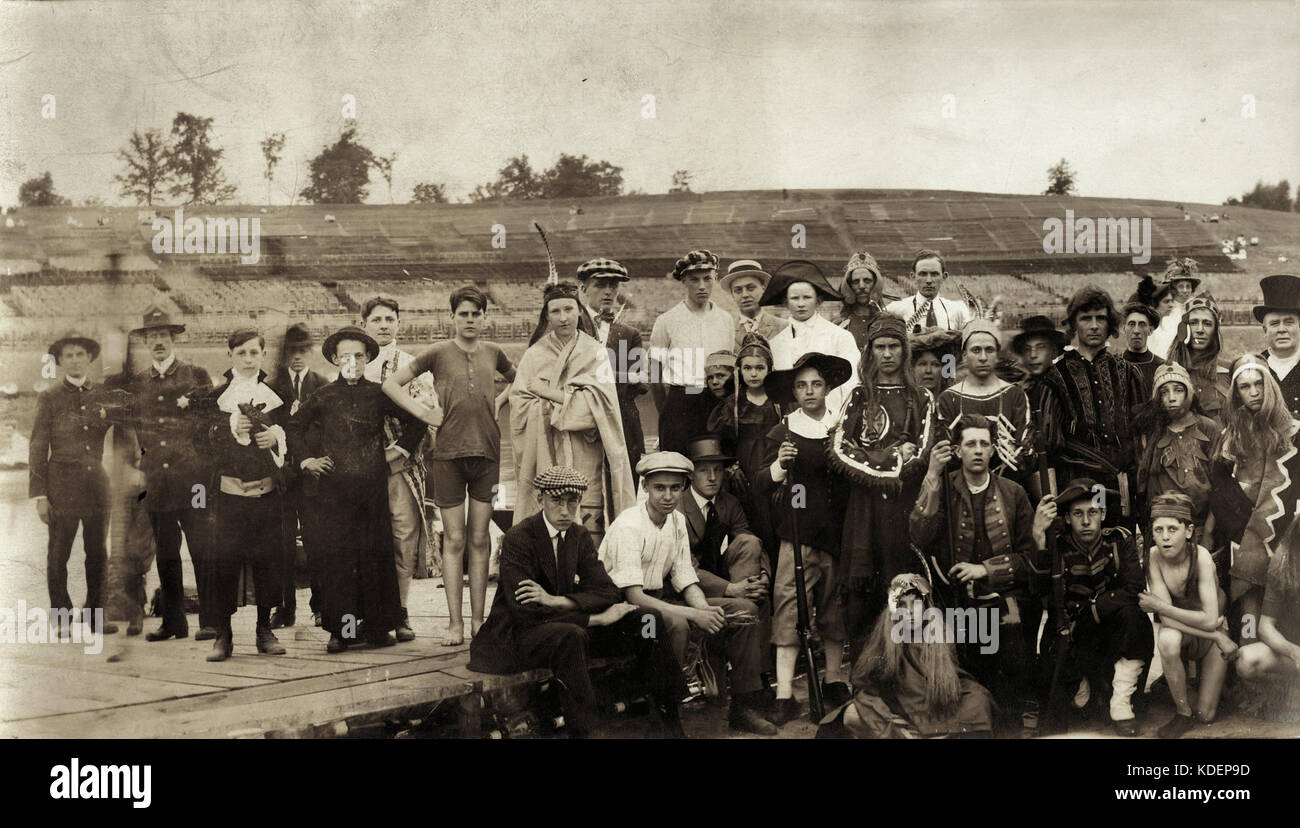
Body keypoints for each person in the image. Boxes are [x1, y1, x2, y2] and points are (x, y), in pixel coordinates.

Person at [468, 467, 687, 738]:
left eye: (572, 502)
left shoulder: (578, 536)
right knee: (570, 636)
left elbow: (607, 592)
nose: (565, 510)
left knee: (648, 621)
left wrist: (559, 600)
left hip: (566, 627)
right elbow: (525, 612)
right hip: (517, 638)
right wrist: (595, 619)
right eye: (557, 501)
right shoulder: (519, 538)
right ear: (540, 499)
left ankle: (667, 716)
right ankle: (586, 732)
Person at [599, 452, 778, 735]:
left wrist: (704, 610)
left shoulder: (676, 521)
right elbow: (634, 596)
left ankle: (743, 705)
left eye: (675, 488)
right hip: (626, 611)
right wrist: (693, 613)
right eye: (659, 488)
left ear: (683, 487)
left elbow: (685, 577)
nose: (668, 496)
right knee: (676, 623)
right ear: (645, 487)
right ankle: (667, 712)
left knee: (745, 610)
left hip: (663, 600)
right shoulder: (629, 524)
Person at [288, 326, 437, 653]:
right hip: (334, 494)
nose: (352, 361)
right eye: (345, 356)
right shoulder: (324, 396)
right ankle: (341, 631)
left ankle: (378, 629)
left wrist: (397, 451)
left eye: (358, 355)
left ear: (368, 357)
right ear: (335, 359)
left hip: (372, 490)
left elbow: (418, 420)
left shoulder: (378, 393)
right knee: (339, 560)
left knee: (374, 556)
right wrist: (307, 461)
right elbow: (293, 428)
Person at [383, 286, 512, 645]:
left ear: (484, 317)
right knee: (454, 539)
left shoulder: (495, 353)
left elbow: (523, 381)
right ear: (452, 317)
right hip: (448, 458)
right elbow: (392, 385)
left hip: (487, 455)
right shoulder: (438, 353)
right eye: (463, 314)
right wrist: (423, 412)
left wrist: (498, 403)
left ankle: (477, 622)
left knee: (480, 538)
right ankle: (455, 624)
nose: (470, 320)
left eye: (476, 314)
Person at [909, 415, 1055, 729]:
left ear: (992, 451)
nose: (978, 450)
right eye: (970, 443)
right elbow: (919, 535)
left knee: (1012, 663)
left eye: (984, 444)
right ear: (958, 451)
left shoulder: (1013, 492)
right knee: (967, 677)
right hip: (958, 605)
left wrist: (984, 569)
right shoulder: (944, 488)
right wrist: (933, 473)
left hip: (1005, 602)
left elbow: (1028, 556)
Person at [827, 315, 935, 658]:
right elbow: (840, 448)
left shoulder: (923, 398)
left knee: (902, 587)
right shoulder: (858, 396)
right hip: (862, 509)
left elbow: (923, 447)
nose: (887, 354)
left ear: (904, 352)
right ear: (870, 352)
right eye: (879, 347)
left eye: (893, 347)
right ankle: (864, 675)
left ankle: (905, 669)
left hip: (904, 508)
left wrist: (882, 459)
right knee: (861, 594)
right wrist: (889, 459)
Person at [758, 352, 853, 724]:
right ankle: (784, 693)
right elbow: (760, 483)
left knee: (833, 610)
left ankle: (832, 681)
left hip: (836, 533)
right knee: (789, 609)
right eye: (801, 385)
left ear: (827, 387)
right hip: (795, 536)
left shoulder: (842, 427)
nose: (809, 391)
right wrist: (780, 463)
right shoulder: (783, 431)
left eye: (816, 384)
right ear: (793, 392)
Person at [510, 280, 636, 550]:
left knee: (589, 510)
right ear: (546, 316)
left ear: (580, 310)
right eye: (555, 311)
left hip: (586, 449)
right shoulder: (534, 355)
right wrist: (548, 404)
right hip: (546, 449)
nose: (563, 317)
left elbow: (603, 407)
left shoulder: (595, 352)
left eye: (569, 309)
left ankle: (592, 571)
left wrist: (551, 395)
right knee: (551, 509)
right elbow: (520, 405)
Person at [189, 329, 289, 661]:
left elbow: (297, 435)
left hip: (267, 494)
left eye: (254, 353)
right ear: (230, 355)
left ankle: (264, 629)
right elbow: (201, 445)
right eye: (242, 353)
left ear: (263, 355)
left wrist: (275, 440)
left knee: (267, 562)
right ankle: (224, 635)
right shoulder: (214, 398)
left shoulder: (277, 396)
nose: (248, 359)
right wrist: (229, 432)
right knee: (224, 563)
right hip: (228, 496)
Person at [126, 306, 216, 643]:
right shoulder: (138, 384)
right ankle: (174, 621)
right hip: (158, 481)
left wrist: (203, 469)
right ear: (146, 342)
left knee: (202, 545)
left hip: (194, 479)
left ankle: (211, 619)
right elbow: (139, 430)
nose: (158, 342)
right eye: (152, 337)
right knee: (166, 550)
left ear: (173, 338)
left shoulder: (196, 375)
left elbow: (209, 424)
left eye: (164, 335)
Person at [1039, 478, 1153, 737]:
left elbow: (1134, 587)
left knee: (1135, 619)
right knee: (1051, 654)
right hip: (1075, 632)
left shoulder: (1118, 540)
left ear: (1102, 513)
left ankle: (1121, 703)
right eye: (1078, 514)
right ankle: (1082, 685)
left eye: (1092, 512)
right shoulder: (1058, 547)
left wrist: (1095, 608)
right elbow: (1043, 592)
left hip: (1110, 631)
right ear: (1067, 519)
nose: (1086, 521)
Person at [817, 573, 995, 738]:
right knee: (852, 715)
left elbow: (956, 679)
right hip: (900, 710)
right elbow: (866, 684)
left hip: (934, 708)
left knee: (979, 700)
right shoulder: (885, 638)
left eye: (916, 603)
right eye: (902, 605)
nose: (909, 611)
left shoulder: (938, 635)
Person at [362, 296, 440, 643]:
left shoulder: (411, 363)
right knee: (365, 538)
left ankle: (401, 610)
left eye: (389, 319)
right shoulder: (354, 365)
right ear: (363, 323)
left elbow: (426, 415)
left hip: (402, 465)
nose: (382, 325)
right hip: (362, 469)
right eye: (376, 319)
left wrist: (398, 452)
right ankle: (368, 613)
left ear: (398, 323)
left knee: (402, 537)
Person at [30, 331, 117, 636]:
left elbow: (124, 433)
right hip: (61, 486)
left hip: (97, 486)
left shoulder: (104, 393)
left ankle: (95, 614)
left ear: (90, 358)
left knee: (97, 553)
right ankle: (62, 616)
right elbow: (38, 446)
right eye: (69, 355)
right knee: (58, 554)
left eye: (81, 354)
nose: (76, 360)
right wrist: (40, 495)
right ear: (60, 361)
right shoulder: (50, 397)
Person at [1209, 354, 1300, 639]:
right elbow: (1221, 492)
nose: (1254, 392)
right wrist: (1248, 531)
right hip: (1243, 540)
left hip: (1286, 536)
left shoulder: (1295, 433)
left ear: (1269, 385)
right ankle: (1247, 658)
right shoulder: (1229, 438)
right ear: (1236, 393)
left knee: (1281, 612)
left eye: (1259, 384)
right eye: (1245, 387)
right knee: (1248, 610)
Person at [1039, 287, 1145, 527]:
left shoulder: (1127, 372)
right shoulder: (1056, 377)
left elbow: (1140, 438)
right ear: (1074, 324)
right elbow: (1051, 446)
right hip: (1076, 491)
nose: (1095, 325)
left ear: (1111, 323)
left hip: (1121, 488)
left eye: (1101, 318)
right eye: (1086, 318)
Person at [1140, 494, 1235, 738]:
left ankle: (1179, 686)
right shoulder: (1152, 556)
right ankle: (1182, 712)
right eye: (1158, 529)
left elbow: (1210, 617)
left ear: (1189, 530)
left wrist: (1160, 606)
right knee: (1167, 638)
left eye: (1173, 528)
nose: (1165, 537)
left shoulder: (1201, 556)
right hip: (1199, 633)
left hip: (1212, 638)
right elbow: (1169, 622)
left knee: (1205, 715)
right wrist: (1214, 632)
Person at [266, 322, 328, 629]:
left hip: (314, 477)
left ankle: (321, 605)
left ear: (312, 351)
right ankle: (285, 607)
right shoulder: (272, 386)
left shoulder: (323, 384)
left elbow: (328, 433)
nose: (298, 357)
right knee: (282, 544)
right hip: (282, 477)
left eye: (303, 350)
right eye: (292, 351)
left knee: (317, 540)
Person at [648, 250, 736, 454]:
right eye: (694, 280)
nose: (702, 286)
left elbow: (728, 365)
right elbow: (655, 376)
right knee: (678, 467)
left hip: (717, 401)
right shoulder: (666, 321)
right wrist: (667, 413)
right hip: (681, 403)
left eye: (708, 279)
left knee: (716, 465)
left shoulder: (726, 320)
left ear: (715, 279)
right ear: (684, 281)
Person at [707, 333, 782, 562]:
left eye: (759, 368)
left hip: (773, 473)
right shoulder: (732, 405)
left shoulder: (779, 403)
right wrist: (731, 466)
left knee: (776, 530)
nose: (753, 373)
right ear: (740, 370)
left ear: (769, 370)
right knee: (747, 529)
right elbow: (719, 442)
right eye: (748, 368)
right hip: (742, 477)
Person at [935, 319, 1033, 482]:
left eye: (989, 350)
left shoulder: (1014, 395)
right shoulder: (948, 399)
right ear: (965, 355)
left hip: (1008, 487)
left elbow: (1026, 452)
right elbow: (944, 454)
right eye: (976, 350)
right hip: (959, 490)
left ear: (997, 354)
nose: (983, 357)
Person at [576, 258, 648, 479]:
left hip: (623, 419)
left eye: (613, 286)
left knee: (626, 481)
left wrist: (595, 376)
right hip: (581, 419)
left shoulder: (630, 334)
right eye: (600, 285)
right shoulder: (572, 328)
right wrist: (624, 376)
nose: (608, 292)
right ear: (583, 288)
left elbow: (642, 381)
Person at [761, 259, 861, 417]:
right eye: (795, 298)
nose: (801, 304)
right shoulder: (776, 343)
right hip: (791, 420)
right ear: (785, 302)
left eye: (807, 297)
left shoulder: (840, 336)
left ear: (818, 300)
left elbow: (852, 383)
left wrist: (838, 417)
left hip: (833, 416)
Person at [1134, 363, 1218, 550]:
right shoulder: (1150, 432)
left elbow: (1220, 486)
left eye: (1178, 390)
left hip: (1200, 525)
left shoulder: (1208, 428)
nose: (1172, 398)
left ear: (1189, 393)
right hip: (1162, 528)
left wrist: (1209, 533)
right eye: (1164, 392)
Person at [1236, 520, 1300, 701]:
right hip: (1293, 649)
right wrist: (1294, 653)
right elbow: (1265, 627)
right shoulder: (1286, 559)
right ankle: (1283, 691)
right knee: (1247, 660)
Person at [1166, 293, 1229, 424]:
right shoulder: (1168, 371)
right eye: (1193, 323)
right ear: (1184, 328)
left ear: (1215, 330)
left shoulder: (1228, 371)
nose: (1200, 330)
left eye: (1207, 323)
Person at [885, 249, 973, 333]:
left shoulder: (957, 309)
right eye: (923, 274)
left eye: (934, 274)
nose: (929, 280)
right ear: (913, 276)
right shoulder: (895, 309)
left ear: (944, 277)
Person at [1254, 273, 1300, 418]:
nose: (1281, 329)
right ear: (1265, 330)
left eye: (1289, 322)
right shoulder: (1254, 367)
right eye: (1274, 323)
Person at [721, 259, 785, 346]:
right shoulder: (725, 329)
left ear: (763, 289)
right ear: (732, 295)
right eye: (738, 290)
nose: (745, 295)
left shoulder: (783, 326)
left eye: (750, 288)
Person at [836, 251, 887, 351]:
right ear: (849, 286)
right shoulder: (838, 325)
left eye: (867, 281)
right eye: (856, 282)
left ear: (875, 284)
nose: (862, 286)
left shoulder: (888, 322)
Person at [1119, 295, 1165, 401]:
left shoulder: (1161, 367)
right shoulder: (1112, 365)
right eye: (1131, 324)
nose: (1136, 331)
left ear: (1150, 330)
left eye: (1142, 325)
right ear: (1123, 328)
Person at [909, 327, 961, 397]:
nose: (928, 370)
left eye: (935, 365)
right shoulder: (905, 402)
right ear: (913, 367)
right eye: (922, 364)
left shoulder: (951, 402)